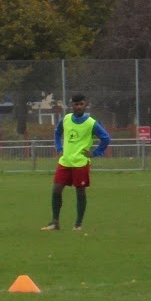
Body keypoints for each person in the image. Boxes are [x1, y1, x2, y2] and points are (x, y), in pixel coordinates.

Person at [42, 93, 111, 231]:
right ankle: (55, 222)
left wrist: (95, 153)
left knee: (80, 192)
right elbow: (57, 132)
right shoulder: (66, 119)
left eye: (81, 104)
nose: (79, 107)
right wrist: (59, 147)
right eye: (76, 104)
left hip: (80, 163)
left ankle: (78, 224)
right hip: (65, 161)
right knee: (56, 190)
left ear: (85, 105)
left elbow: (106, 138)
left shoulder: (91, 123)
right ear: (71, 105)